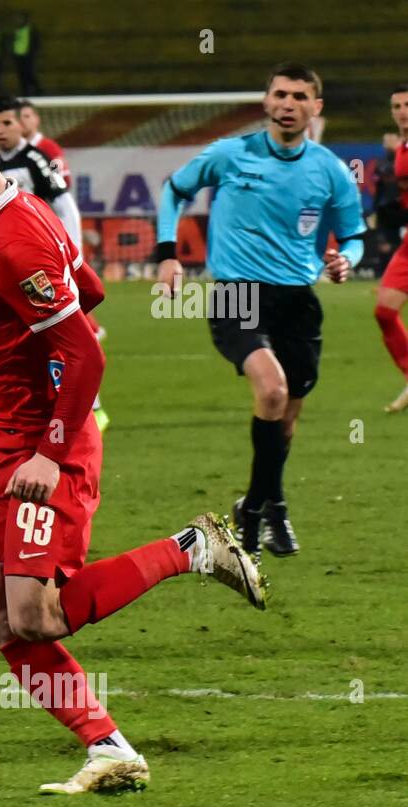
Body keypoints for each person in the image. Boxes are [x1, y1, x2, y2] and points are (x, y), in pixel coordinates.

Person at [0, 92, 266, 794]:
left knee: (39, 612)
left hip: (42, 450)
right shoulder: (5, 219)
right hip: (6, 447)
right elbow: (85, 289)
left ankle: (192, 547)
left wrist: (49, 448)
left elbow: (87, 352)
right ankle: (109, 746)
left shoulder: (14, 237)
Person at [156, 64, 366, 557]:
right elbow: (174, 189)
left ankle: (259, 502)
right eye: (280, 94)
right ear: (267, 101)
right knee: (272, 390)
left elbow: (354, 236)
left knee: (287, 417)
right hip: (236, 292)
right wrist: (168, 253)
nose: (288, 103)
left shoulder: (330, 170)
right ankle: (262, 512)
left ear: (316, 108)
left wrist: (345, 261)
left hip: (297, 300)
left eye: (300, 96)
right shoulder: (232, 154)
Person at [0, 96, 109, 446]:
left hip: (39, 261)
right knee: (3, 342)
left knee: (72, 342)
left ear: (22, 124)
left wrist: (73, 256)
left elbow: (63, 204)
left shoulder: (38, 159)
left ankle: (91, 411)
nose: (2, 130)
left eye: (8, 123)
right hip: (11, 264)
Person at [373, 87, 408, 413]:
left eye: (407, 104)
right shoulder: (399, 151)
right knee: (384, 312)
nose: (402, 110)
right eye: (396, 105)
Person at [11, 13, 41, 96]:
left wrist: (33, 53)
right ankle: (24, 92)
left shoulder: (31, 30)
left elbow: (36, 42)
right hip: (18, 56)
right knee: (21, 75)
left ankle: (38, 90)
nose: (18, 21)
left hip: (27, 57)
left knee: (29, 74)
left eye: (20, 19)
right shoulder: (16, 30)